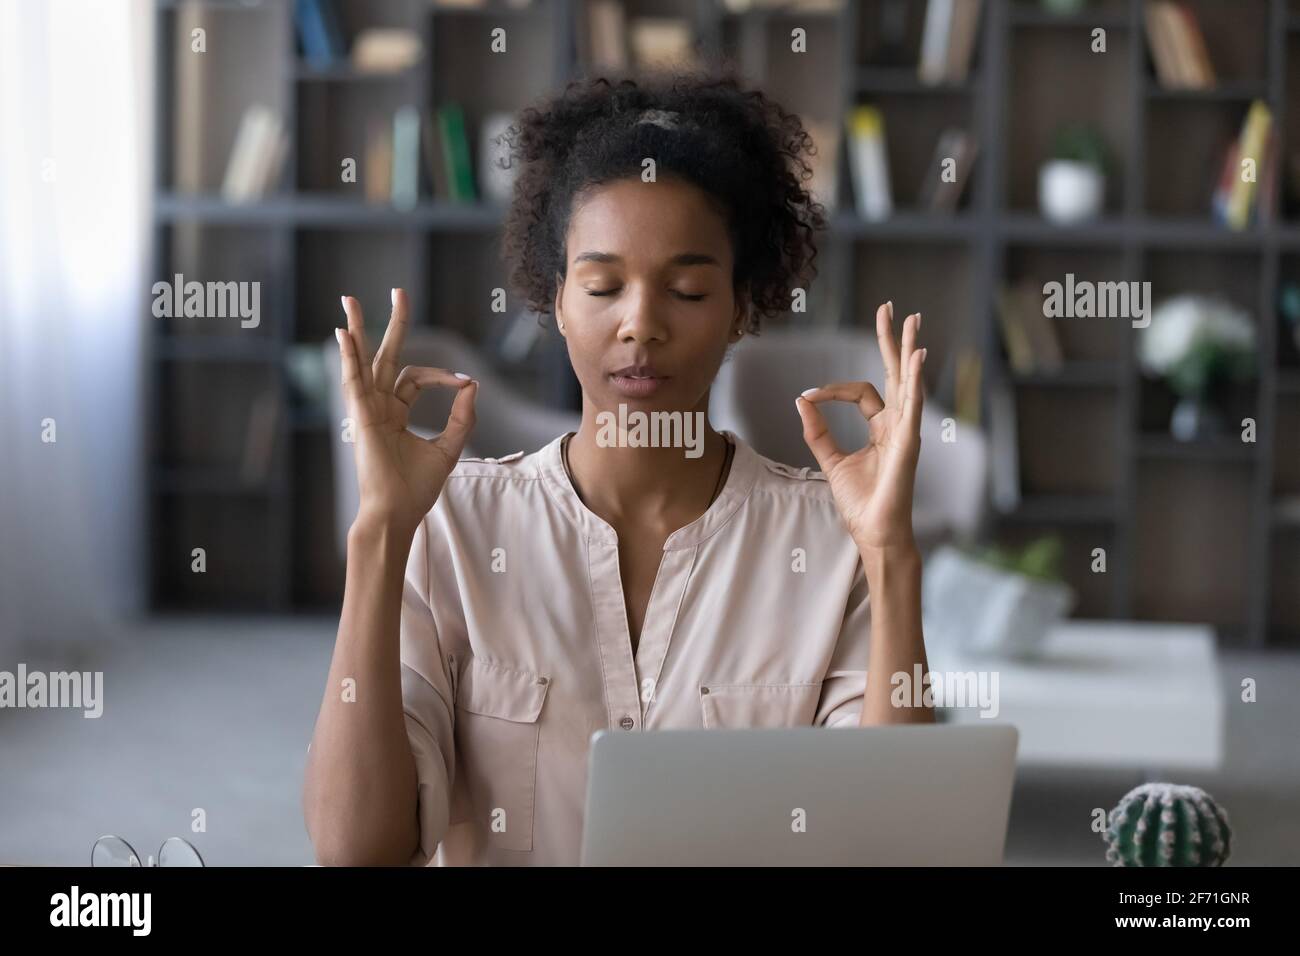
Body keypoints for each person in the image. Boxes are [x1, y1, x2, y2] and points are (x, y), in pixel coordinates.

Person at [303, 69, 933, 867]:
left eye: (688, 290)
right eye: (603, 285)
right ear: (557, 299)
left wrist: (891, 551)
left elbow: (896, 849)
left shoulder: (830, 542)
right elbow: (355, 849)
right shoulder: (452, 528)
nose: (640, 324)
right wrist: (379, 535)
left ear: (742, 308)